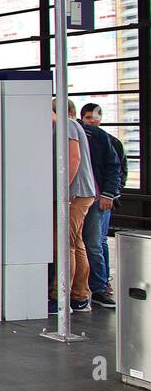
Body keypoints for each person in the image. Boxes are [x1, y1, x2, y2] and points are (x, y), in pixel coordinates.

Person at [51, 99, 97, 314]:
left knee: (64, 244)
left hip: (74, 194)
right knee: (76, 243)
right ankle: (79, 296)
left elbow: (74, 158)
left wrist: (61, 190)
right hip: (81, 193)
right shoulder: (73, 125)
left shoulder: (66, 125)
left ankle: (60, 297)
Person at [79, 103, 122, 309]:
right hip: (86, 197)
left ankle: (99, 286)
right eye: (88, 117)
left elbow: (116, 167)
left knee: (95, 242)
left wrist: (109, 194)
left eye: (95, 117)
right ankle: (91, 285)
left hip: (96, 198)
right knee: (89, 242)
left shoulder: (104, 139)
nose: (92, 120)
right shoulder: (86, 135)